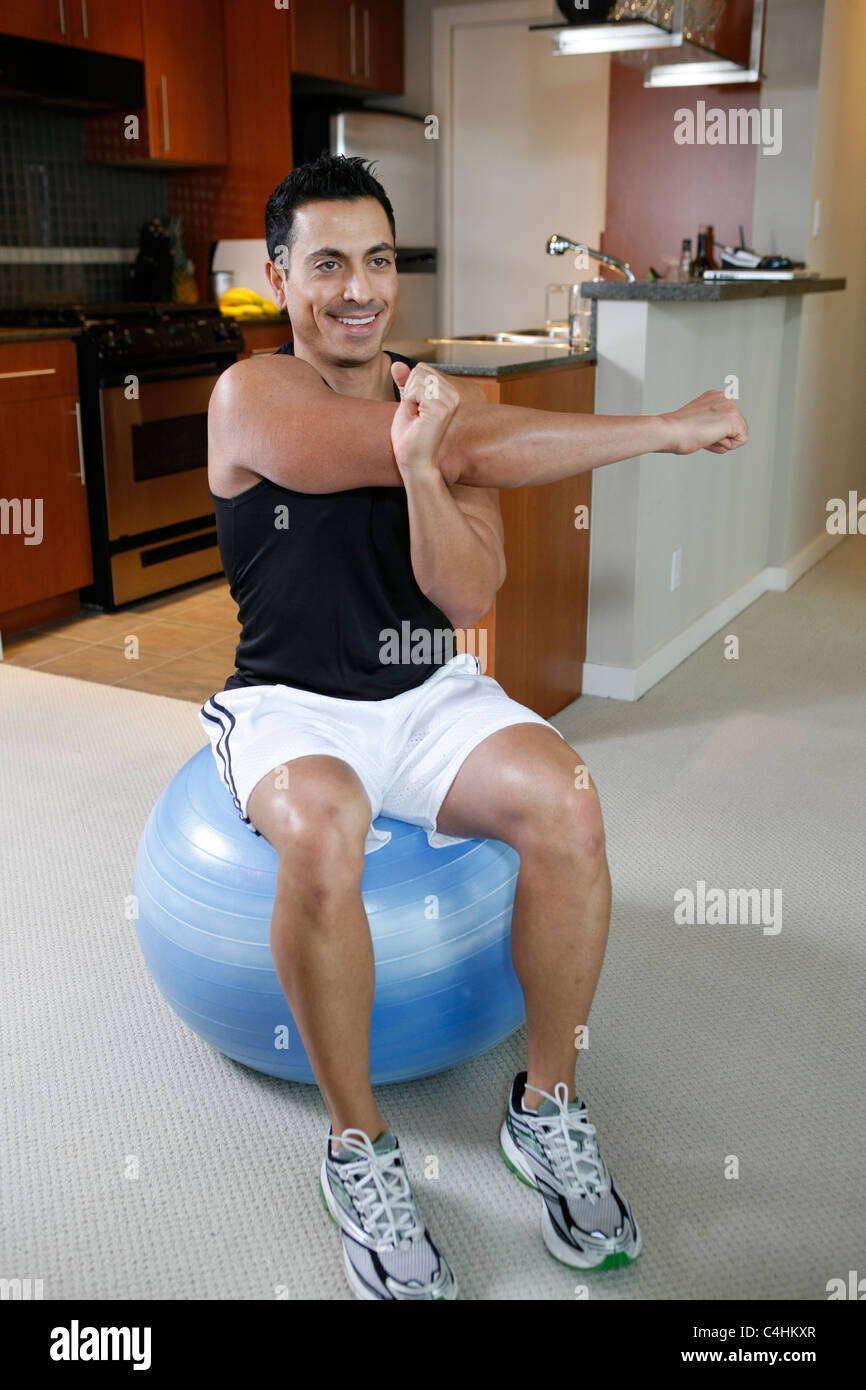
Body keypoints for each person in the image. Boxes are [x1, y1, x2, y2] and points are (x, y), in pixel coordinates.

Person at [200, 154, 748, 1301]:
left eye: (380, 260)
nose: (358, 288)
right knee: (328, 827)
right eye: (328, 263)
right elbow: (461, 443)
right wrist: (658, 428)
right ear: (279, 276)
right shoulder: (252, 394)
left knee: (569, 803)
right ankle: (359, 1149)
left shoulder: (441, 403)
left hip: (423, 693)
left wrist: (427, 471)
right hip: (289, 699)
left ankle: (544, 1109)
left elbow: (463, 600)